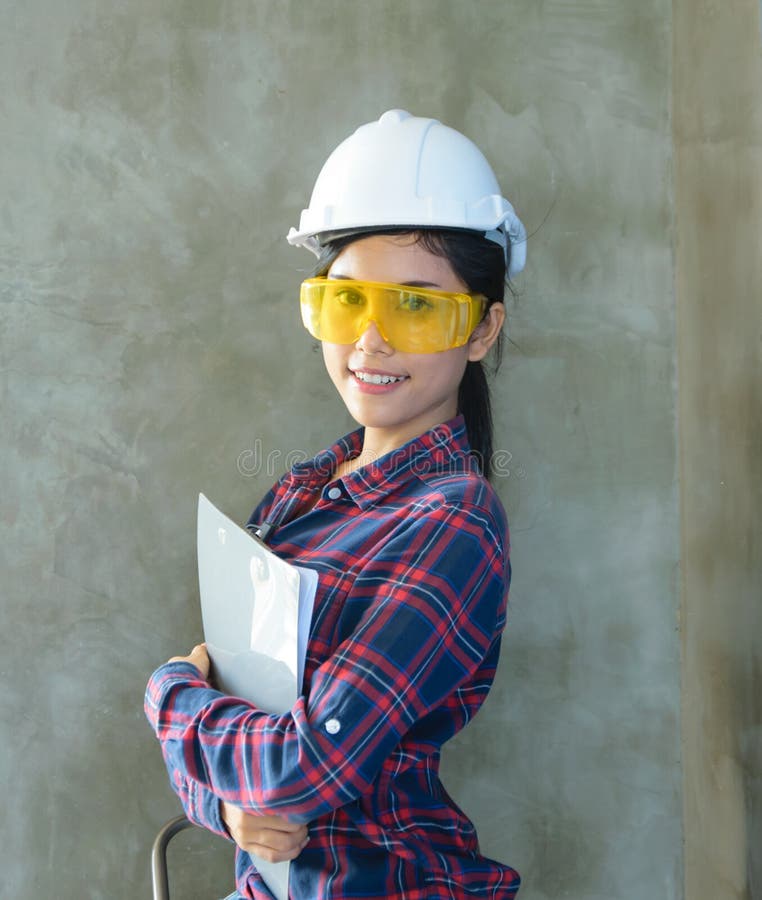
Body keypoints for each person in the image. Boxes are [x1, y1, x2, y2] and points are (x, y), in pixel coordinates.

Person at [145, 109, 526, 899]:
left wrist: (165, 693)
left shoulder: (452, 520)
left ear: (483, 330)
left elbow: (299, 767)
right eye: (347, 303)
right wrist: (222, 808)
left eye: (418, 306)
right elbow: (253, 760)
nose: (372, 341)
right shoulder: (301, 493)